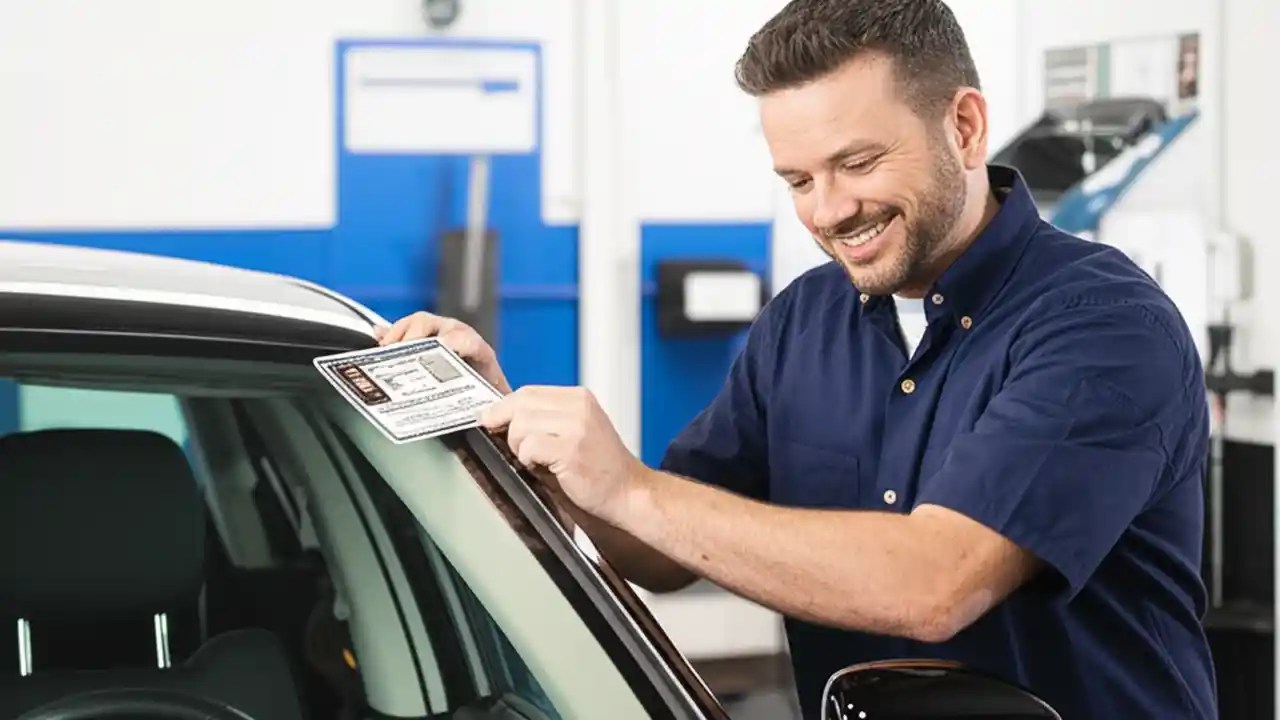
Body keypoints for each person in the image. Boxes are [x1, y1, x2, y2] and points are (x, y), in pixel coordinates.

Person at [376, 1, 1217, 717]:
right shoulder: (804, 321)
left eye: (857, 163)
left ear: (963, 126)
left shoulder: (1102, 326)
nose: (829, 210)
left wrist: (630, 486)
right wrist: (527, 449)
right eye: (797, 180)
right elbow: (664, 550)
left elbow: (935, 584)